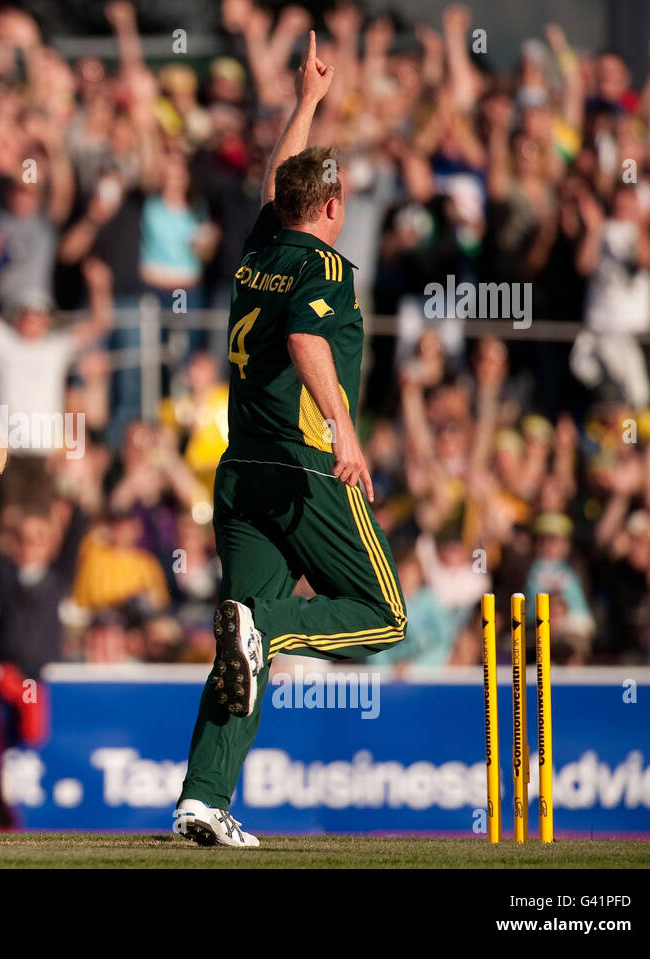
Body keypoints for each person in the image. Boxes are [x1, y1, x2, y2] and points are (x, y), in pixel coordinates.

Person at [172, 33, 406, 847]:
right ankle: (268, 628)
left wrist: (307, 99)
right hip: (305, 471)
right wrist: (346, 432)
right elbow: (309, 346)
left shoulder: (259, 250)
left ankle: (203, 796)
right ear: (335, 208)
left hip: (240, 471)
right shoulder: (327, 269)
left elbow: (281, 180)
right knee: (384, 615)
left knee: (242, 638)